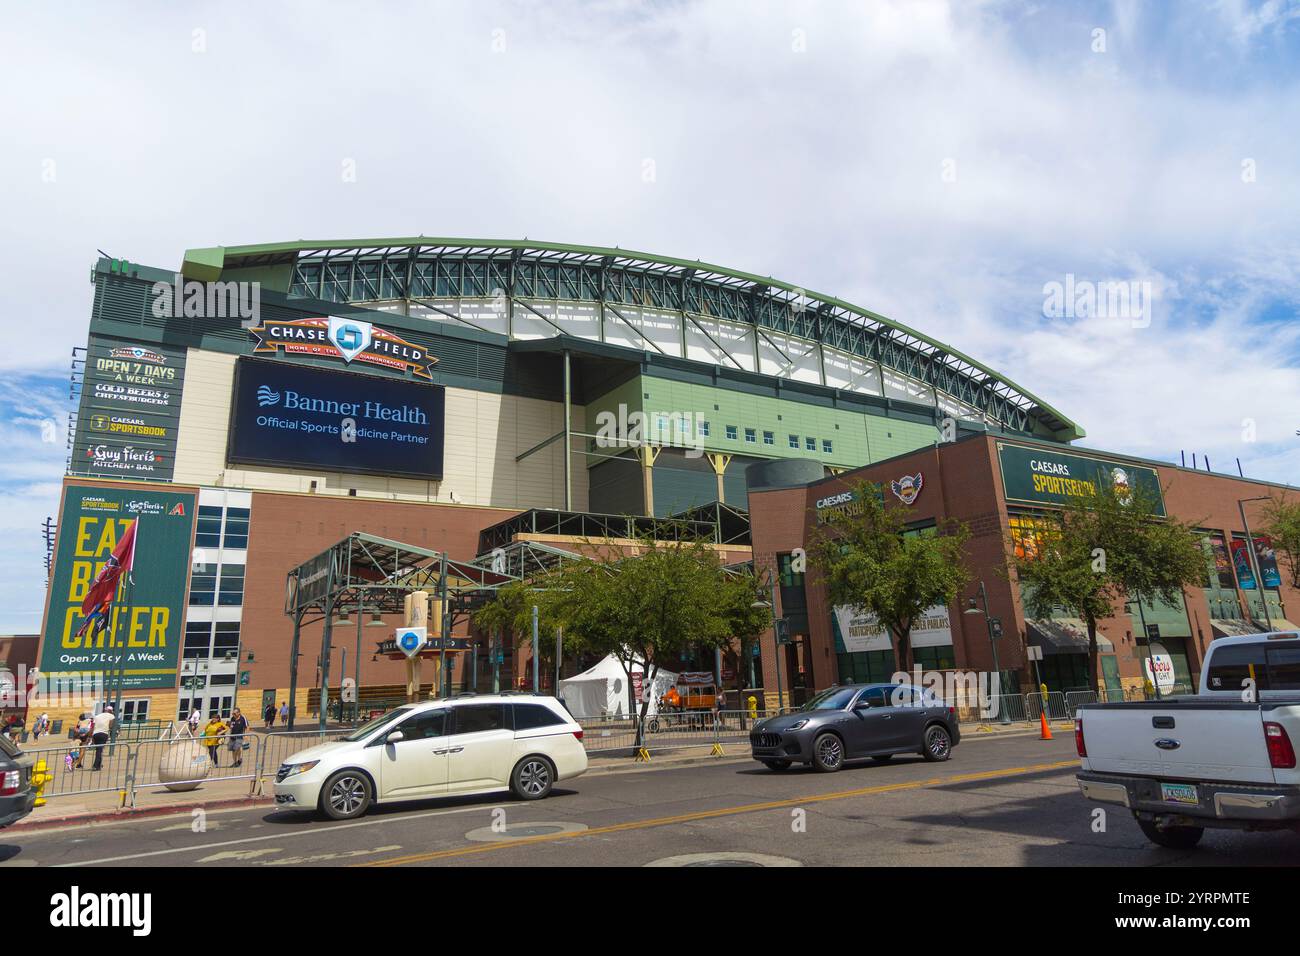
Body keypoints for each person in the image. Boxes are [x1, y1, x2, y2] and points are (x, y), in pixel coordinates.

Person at [90, 706, 115, 771]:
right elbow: (110, 725)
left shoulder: (97, 716)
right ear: (111, 711)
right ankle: (95, 765)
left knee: (99, 750)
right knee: (99, 750)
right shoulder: (111, 716)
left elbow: (93, 726)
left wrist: (91, 737)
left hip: (95, 734)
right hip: (103, 734)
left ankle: (98, 765)